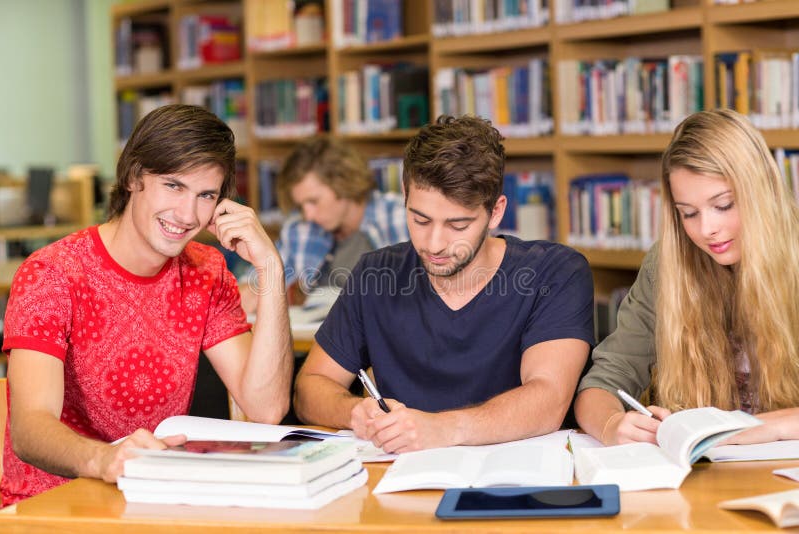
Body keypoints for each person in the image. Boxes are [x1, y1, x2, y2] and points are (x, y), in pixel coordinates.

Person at [0, 104, 293, 505]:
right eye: (174, 186)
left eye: (205, 195)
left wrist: (271, 268)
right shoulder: (51, 274)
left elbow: (266, 408)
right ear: (134, 177)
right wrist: (105, 460)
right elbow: (30, 429)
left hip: (149, 500)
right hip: (51, 504)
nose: (187, 214)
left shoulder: (207, 272)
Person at [293, 115, 594, 453]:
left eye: (457, 224)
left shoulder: (555, 273)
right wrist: (354, 412)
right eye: (420, 219)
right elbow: (310, 388)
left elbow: (548, 400)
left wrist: (441, 428)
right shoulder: (375, 273)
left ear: (496, 212)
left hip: (516, 482)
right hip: (402, 481)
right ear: (405, 196)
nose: (434, 243)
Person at [575, 108, 799, 446]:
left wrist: (751, 430)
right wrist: (610, 425)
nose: (707, 229)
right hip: (704, 476)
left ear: (761, 191)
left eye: (724, 205)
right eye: (688, 214)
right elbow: (604, 382)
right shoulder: (668, 264)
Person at [240, 137, 408, 313]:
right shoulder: (300, 230)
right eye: (301, 205)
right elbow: (255, 283)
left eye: (313, 201)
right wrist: (253, 290)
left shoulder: (400, 217)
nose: (308, 215)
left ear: (343, 182)